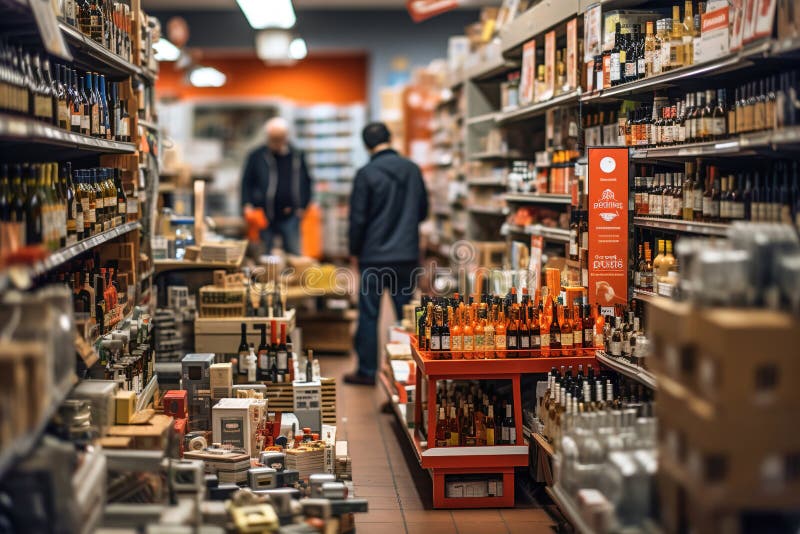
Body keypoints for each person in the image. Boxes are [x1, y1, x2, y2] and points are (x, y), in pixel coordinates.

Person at [344, 123, 429, 386]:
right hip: (406, 256)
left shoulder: (366, 173)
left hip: (374, 257)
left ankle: (367, 371)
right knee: (406, 316)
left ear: (366, 145)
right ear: (390, 139)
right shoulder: (412, 169)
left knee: (369, 315)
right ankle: (411, 375)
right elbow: (423, 211)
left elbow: (357, 219)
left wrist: (354, 250)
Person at [241, 117, 312, 255]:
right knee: (262, 255)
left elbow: (306, 182)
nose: (276, 142)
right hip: (263, 214)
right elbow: (246, 182)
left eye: (279, 138)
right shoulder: (257, 156)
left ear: (286, 137)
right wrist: (246, 203)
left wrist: (303, 206)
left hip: (291, 215)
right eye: (273, 138)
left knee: (294, 254)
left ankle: (292, 276)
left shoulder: (297, 156)